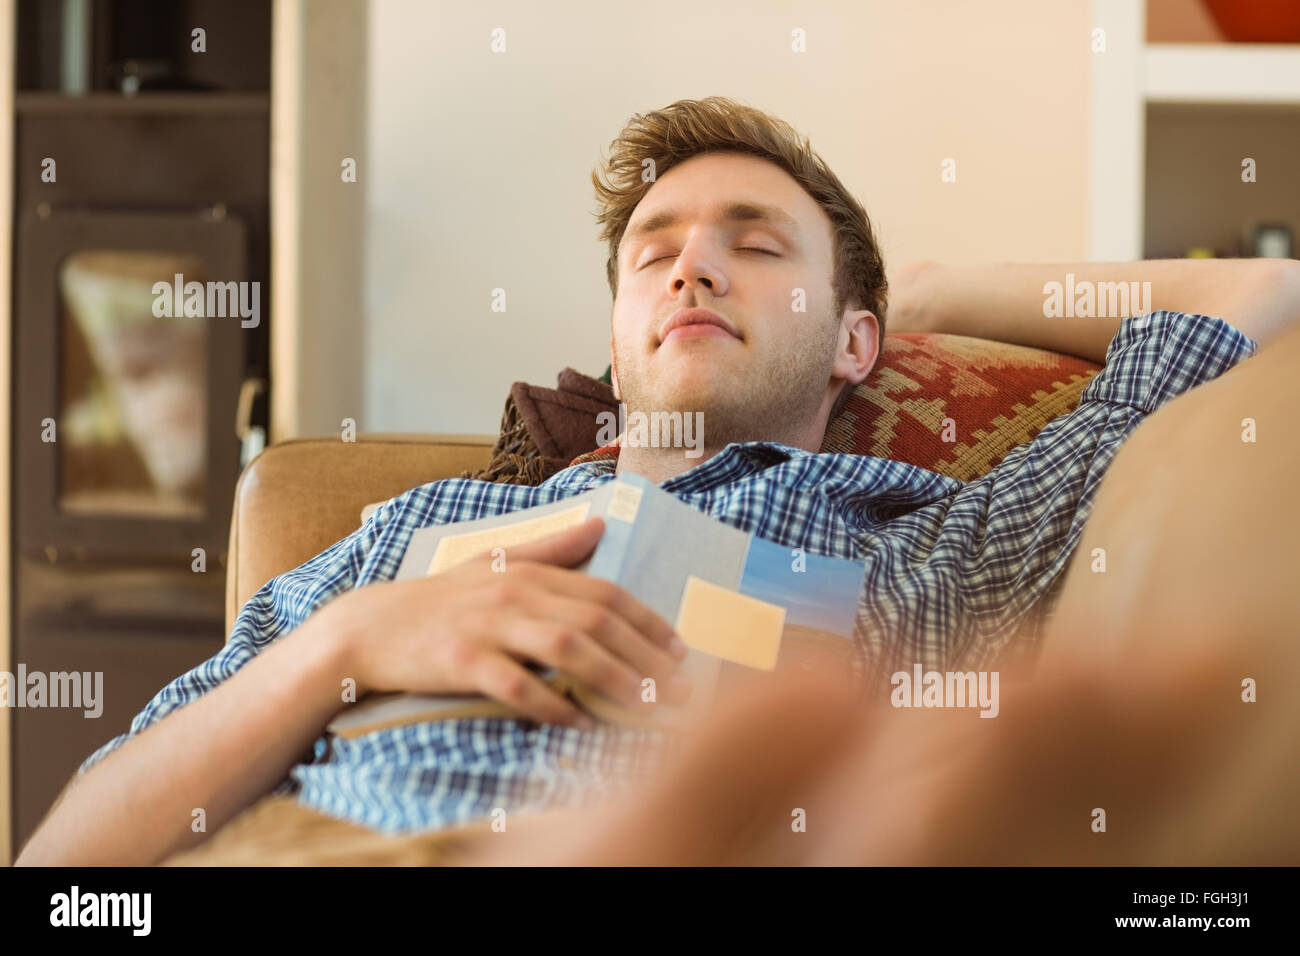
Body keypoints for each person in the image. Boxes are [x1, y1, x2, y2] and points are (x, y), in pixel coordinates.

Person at [16, 96, 1298, 866]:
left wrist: (928, 294)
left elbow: (1258, 294)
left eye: (756, 245)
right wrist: (343, 640)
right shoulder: (410, 529)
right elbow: (73, 863)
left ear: (858, 341)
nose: (692, 270)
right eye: (654, 253)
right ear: (620, 333)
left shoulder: (919, 545)